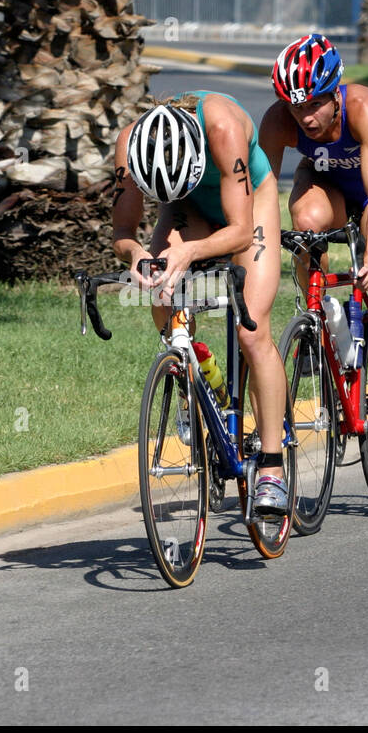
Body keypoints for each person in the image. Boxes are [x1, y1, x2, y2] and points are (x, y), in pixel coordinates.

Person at [111, 93, 290, 515]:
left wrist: (191, 253)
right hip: (185, 203)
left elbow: (242, 232)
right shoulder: (129, 144)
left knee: (252, 329)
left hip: (249, 205)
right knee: (162, 287)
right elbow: (122, 231)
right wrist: (137, 254)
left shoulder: (222, 128)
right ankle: (196, 375)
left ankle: (271, 469)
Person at [258, 33, 368, 479]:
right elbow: (260, 193)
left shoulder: (363, 108)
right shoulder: (278, 121)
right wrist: (258, 247)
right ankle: (319, 319)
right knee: (306, 223)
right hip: (325, 180)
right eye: (295, 107)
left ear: (334, 93)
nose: (305, 117)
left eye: (313, 104)